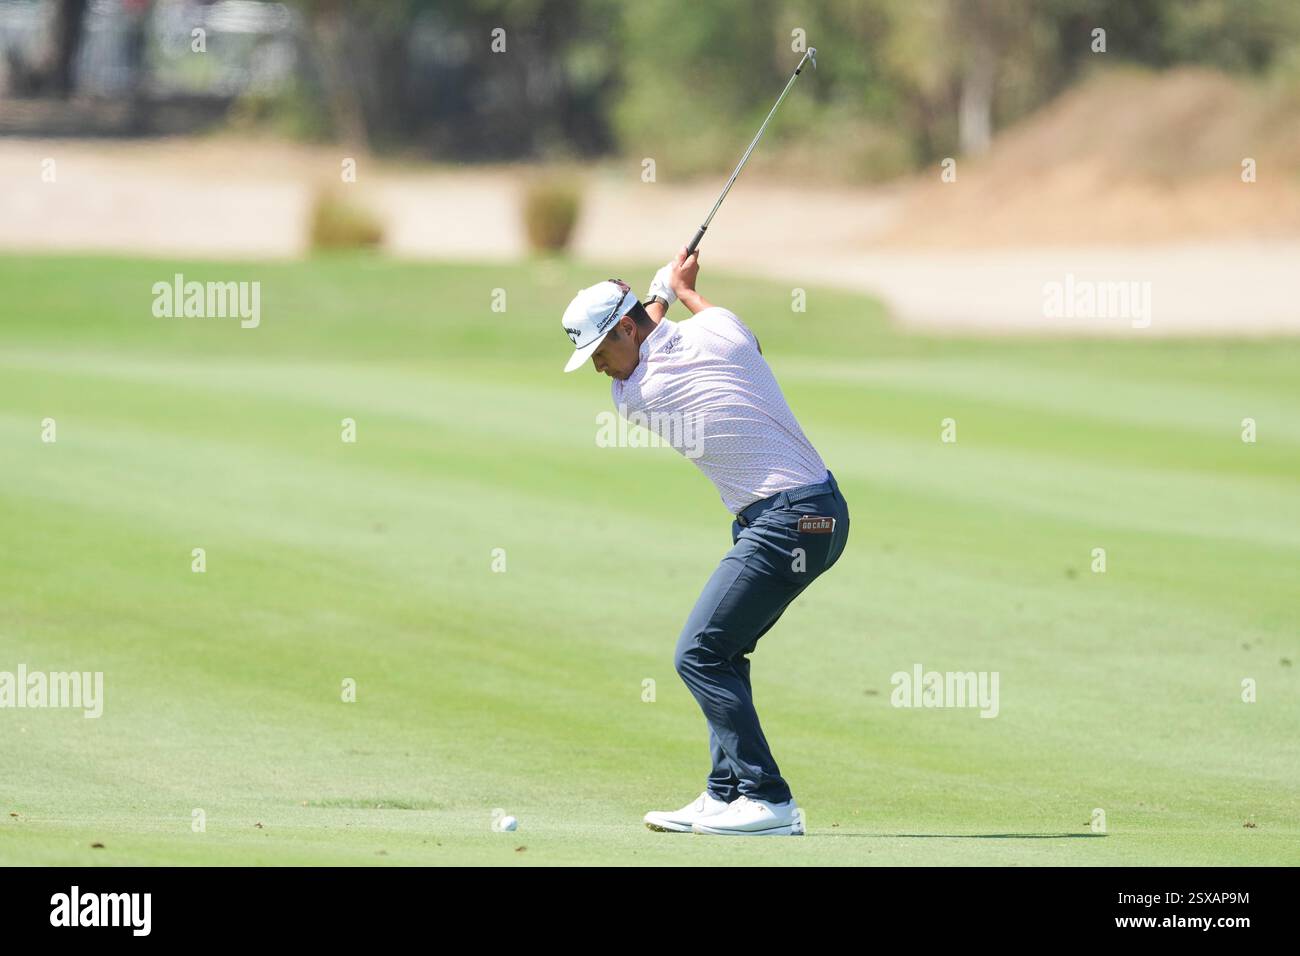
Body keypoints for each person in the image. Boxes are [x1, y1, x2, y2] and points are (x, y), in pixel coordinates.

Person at [560, 248, 850, 836]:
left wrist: (663, 289)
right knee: (722, 651)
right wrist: (685, 289)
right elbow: (743, 343)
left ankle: (769, 800)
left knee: (697, 653)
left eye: (599, 351)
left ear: (624, 328)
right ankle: (725, 793)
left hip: (789, 521)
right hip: (816, 513)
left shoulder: (639, 396)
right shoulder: (720, 331)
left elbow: (655, 329)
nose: (598, 368)